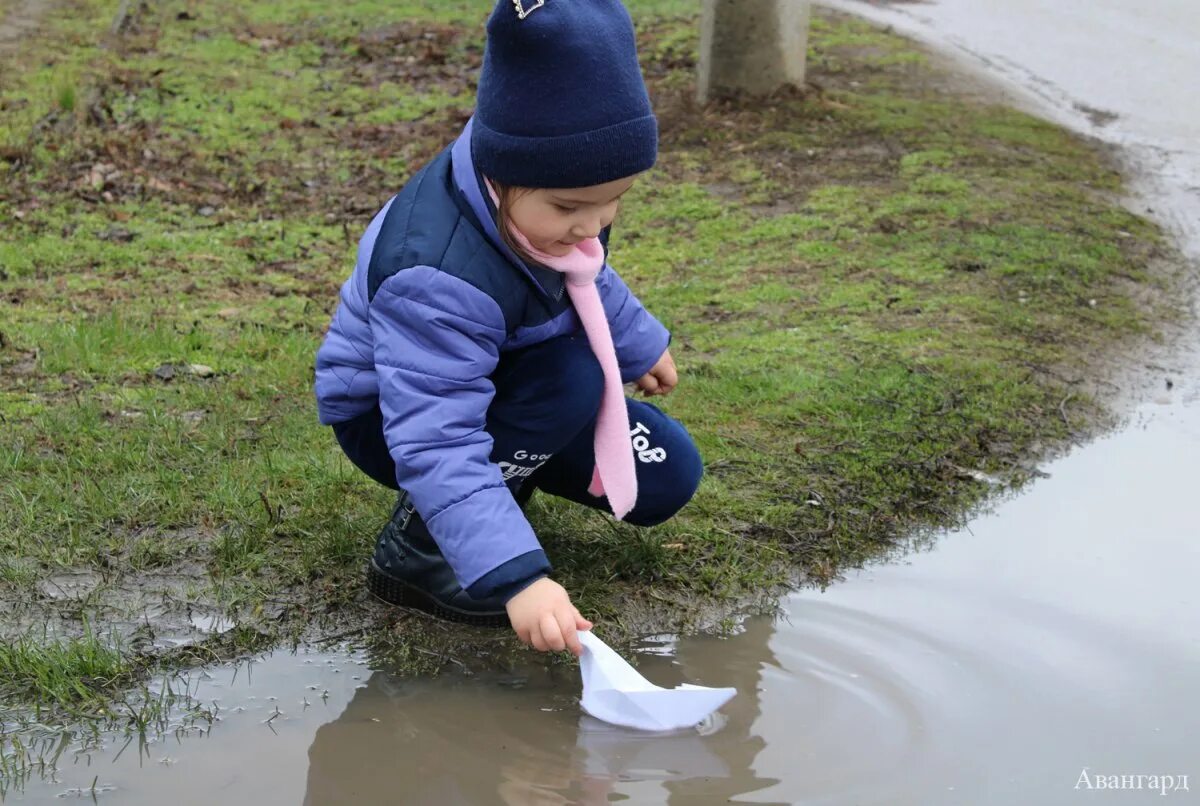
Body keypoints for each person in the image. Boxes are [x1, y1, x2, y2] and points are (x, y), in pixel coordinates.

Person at [313, 0, 703, 658]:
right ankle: (418, 548)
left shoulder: (549, 190)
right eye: (573, 207)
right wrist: (518, 578)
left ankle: (505, 481)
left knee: (665, 475)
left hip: (518, 383)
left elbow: (585, 271)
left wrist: (638, 339)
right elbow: (434, 438)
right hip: (395, 419)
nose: (594, 223)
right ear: (504, 171)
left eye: (615, 200)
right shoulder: (433, 275)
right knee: (573, 377)